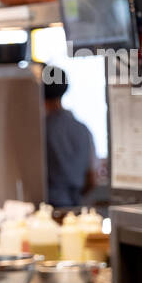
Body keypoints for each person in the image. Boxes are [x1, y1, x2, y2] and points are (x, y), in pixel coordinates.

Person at [41, 63, 97, 207]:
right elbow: (92, 180)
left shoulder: (40, 130)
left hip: (46, 211)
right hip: (75, 207)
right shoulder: (83, 129)